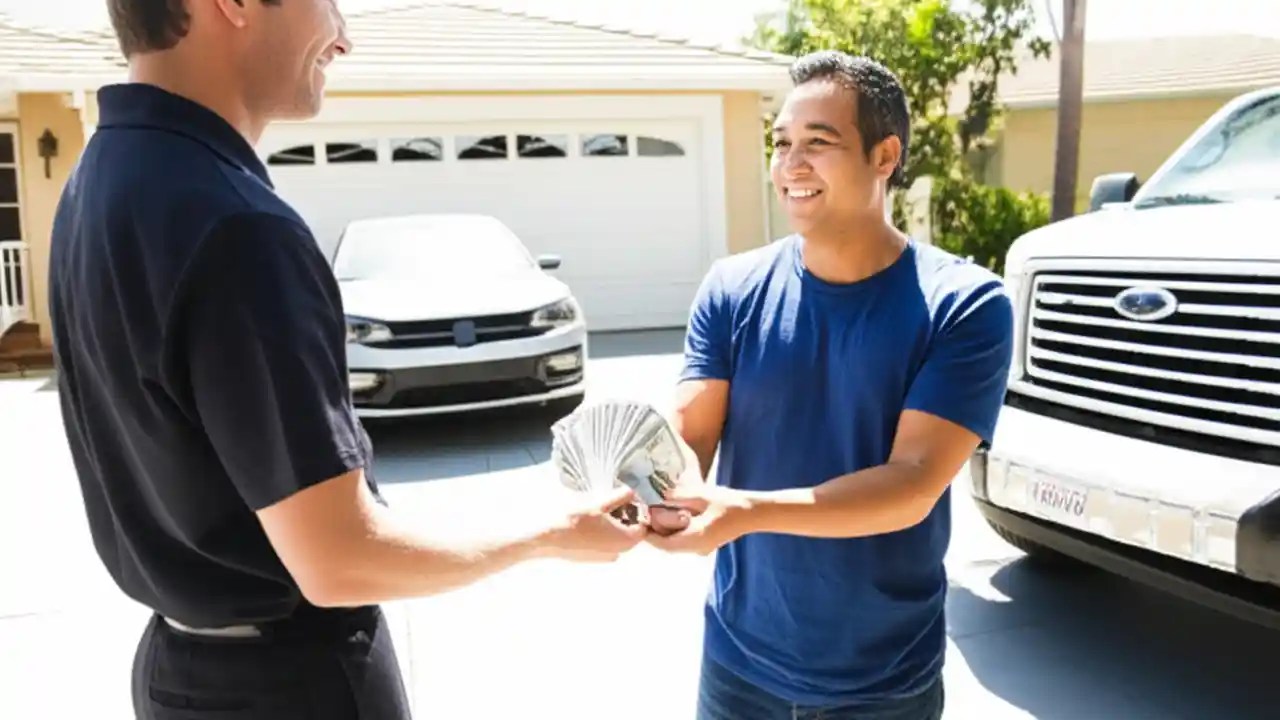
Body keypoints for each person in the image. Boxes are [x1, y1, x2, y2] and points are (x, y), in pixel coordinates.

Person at [47, 1, 647, 718]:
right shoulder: (236, 225)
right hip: (289, 687)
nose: (343, 37)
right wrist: (552, 534)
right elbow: (338, 560)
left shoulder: (97, 181)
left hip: (176, 674)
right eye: (328, 3)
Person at [646, 50, 1015, 719]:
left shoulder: (964, 304)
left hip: (880, 682)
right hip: (737, 666)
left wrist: (746, 512)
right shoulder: (732, 288)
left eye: (819, 143)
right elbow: (691, 431)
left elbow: (911, 484)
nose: (791, 164)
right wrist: (644, 478)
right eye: (782, 143)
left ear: (884, 156)